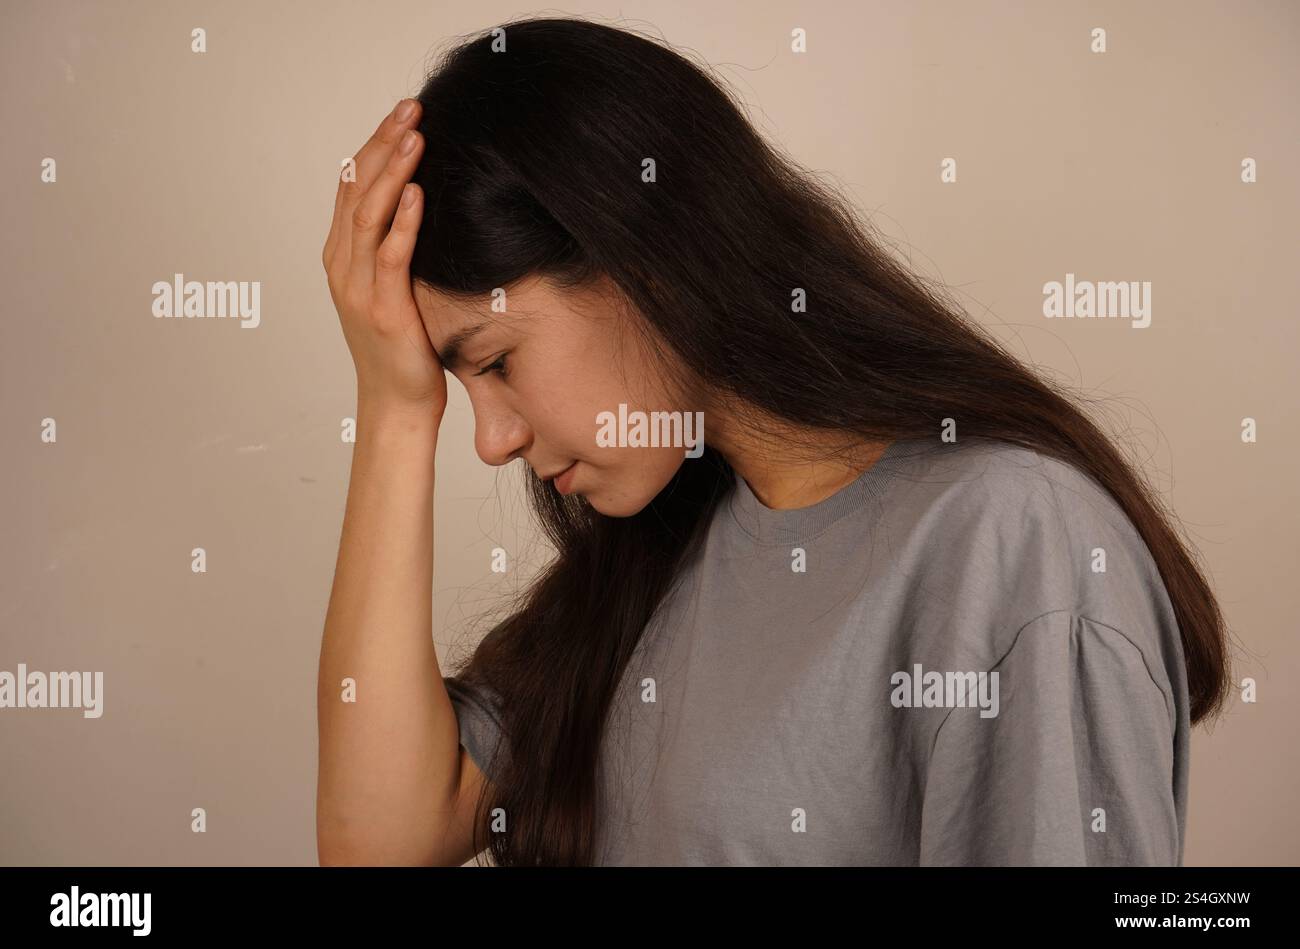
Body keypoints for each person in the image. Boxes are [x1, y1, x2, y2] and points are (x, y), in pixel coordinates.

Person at [316, 17, 1230, 867]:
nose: (492, 440)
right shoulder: (659, 551)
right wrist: (394, 410)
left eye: (499, 361)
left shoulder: (1011, 541)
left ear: (643, 263)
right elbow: (382, 837)